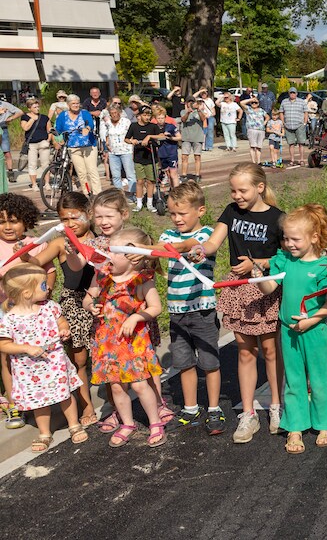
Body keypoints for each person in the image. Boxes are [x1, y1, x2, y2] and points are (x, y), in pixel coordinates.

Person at [182, 164, 284, 443]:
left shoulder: (277, 217)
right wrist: (200, 249)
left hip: (265, 286)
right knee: (245, 351)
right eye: (233, 191)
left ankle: (277, 406)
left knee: (270, 350)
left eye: (242, 190)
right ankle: (248, 413)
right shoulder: (231, 212)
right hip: (238, 288)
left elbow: (284, 256)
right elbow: (213, 242)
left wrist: (257, 263)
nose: (237, 196)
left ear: (260, 188)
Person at [256, 204, 327, 453]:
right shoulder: (284, 260)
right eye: (286, 238)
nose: (289, 244)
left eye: (295, 239)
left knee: (319, 378)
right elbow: (270, 288)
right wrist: (259, 278)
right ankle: (295, 426)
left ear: (313, 237)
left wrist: (311, 320)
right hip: (288, 331)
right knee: (293, 380)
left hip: (314, 332)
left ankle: (325, 424)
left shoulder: (323, 267)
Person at [83, 227, 166, 448]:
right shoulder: (101, 275)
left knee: (139, 385)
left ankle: (155, 422)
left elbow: (156, 307)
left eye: (114, 252)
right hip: (108, 342)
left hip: (132, 343)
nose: (107, 255)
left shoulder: (141, 281)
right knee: (117, 387)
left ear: (132, 258)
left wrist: (136, 317)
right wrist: (91, 306)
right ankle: (127, 423)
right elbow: (88, 298)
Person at [0, 263, 87, 451]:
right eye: (43, 284)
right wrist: (26, 348)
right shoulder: (10, 319)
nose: (48, 287)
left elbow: (61, 321)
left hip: (54, 362)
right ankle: (44, 433)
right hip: (29, 370)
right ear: (26, 293)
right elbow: (4, 344)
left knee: (65, 395)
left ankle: (74, 424)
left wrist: (64, 329)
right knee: (39, 402)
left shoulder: (50, 307)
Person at [158, 182, 223, 435]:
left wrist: (186, 250)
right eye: (172, 213)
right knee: (184, 363)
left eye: (182, 213)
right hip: (177, 311)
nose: (176, 219)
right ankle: (191, 408)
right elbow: (161, 251)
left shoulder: (207, 235)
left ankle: (214, 408)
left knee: (210, 363)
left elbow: (189, 247)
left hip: (203, 310)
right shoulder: (167, 236)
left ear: (200, 210)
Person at [30, 192, 97, 426]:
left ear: (89, 214)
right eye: (64, 219)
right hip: (73, 303)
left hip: (100, 300)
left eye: (74, 217)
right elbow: (35, 262)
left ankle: (114, 400)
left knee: (105, 354)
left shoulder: (100, 239)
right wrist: (25, 253)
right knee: (79, 360)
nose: (70, 224)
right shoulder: (60, 242)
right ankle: (86, 406)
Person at [0, 193, 57, 429]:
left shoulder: (37, 243)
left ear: (26, 220)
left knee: (31, 357)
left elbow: (49, 272)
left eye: (13, 221)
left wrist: (46, 296)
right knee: (6, 357)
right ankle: (14, 404)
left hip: (32, 314)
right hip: (4, 312)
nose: (7, 227)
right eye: (1, 221)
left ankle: (41, 395)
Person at [54, 94, 102, 196]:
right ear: (68, 104)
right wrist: (56, 136)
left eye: (77, 103)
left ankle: (97, 194)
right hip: (73, 148)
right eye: (73, 103)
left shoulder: (84, 113)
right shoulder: (63, 116)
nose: (76, 105)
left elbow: (90, 124)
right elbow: (58, 129)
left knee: (92, 170)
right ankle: (87, 192)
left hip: (88, 146)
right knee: (81, 173)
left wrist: (87, 128)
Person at [127, 107, 159, 213]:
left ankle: (150, 203)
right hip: (138, 157)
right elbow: (126, 139)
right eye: (144, 115)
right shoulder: (134, 126)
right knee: (140, 181)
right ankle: (139, 203)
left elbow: (161, 136)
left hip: (151, 157)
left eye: (149, 115)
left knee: (150, 181)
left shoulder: (153, 126)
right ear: (139, 116)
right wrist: (132, 141)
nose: (147, 117)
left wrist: (149, 137)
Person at [99, 104, 134, 195]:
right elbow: (107, 134)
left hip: (126, 151)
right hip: (113, 152)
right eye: (112, 113)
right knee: (115, 176)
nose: (114, 115)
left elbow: (131, 134)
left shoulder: (126, 121)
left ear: (119, 113)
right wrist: (107, 143)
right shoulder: (108, 123)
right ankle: (119, 195)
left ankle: (133, 194)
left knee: (130, 175)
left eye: (115, 113)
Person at [20, 97, 52, 187]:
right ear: (29, 108)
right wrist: (32, 119)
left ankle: (47, 183)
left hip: (43, 142)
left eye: (38, 107)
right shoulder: (25, 117)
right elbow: (25, 128)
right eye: (34, 107)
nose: (37, 108)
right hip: (32, 144)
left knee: (45, 164)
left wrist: (48, 140)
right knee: (32, 164)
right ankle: (34, 184)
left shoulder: (44, 117)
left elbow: (49, 129)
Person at [178, 97, 207, 182]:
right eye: (189, 102)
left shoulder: (200, 112)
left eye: (192, 102)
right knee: (184, 157)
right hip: (186, 137)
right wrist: (188, 112)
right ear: (186, 103)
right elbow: (183, 120)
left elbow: (203, 119)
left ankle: (197, 175)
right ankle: (184, 175)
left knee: (197, 157)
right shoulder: (183, 111)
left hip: (197, 137)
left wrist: (198, 110)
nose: (190, 104)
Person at [279, 88, 308, 167]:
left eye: (294, 93)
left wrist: (305, 122)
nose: (292, 94)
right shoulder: (284, 101)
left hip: (299, 125)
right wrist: (283, 122)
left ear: (296, 93)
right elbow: (281, 112)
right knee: (291, 144)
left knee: (301, 143)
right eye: (291, 93)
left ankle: (301, 159)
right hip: (288, 125)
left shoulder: (301, 102)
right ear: (289, 93)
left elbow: (306, 112)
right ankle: (292, 160)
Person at [153, 105, 180, 188]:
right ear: (155, 118)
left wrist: (171, 138)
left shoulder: (170, 126)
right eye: (158, 118)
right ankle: (172, 189)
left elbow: (179, 137)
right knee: (168, 174)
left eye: (162, 118)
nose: (160, 120)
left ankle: (177, 191)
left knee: (173, 174)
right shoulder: (154, 128)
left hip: (171, 153)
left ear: (165, 118)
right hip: (162, 154)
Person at [240, 96, 267, 165]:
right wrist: (251, 99)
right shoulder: (248, 109)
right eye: (252, 103)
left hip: (261, 130)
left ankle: (259, 161)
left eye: (256, 103)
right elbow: (241, 103)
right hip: (252, 129)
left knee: (259, 147)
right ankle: (253, 162)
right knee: (252, 146)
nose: (254, 104)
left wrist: (264, 122)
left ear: (258, 103)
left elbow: (267, 117)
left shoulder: (261, 110)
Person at [0, 98, 21, 183]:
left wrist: (10, 118)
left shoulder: (4, 104)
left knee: (7, 152)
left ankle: (10, 173)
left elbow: (20, 112)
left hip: (2, 127)